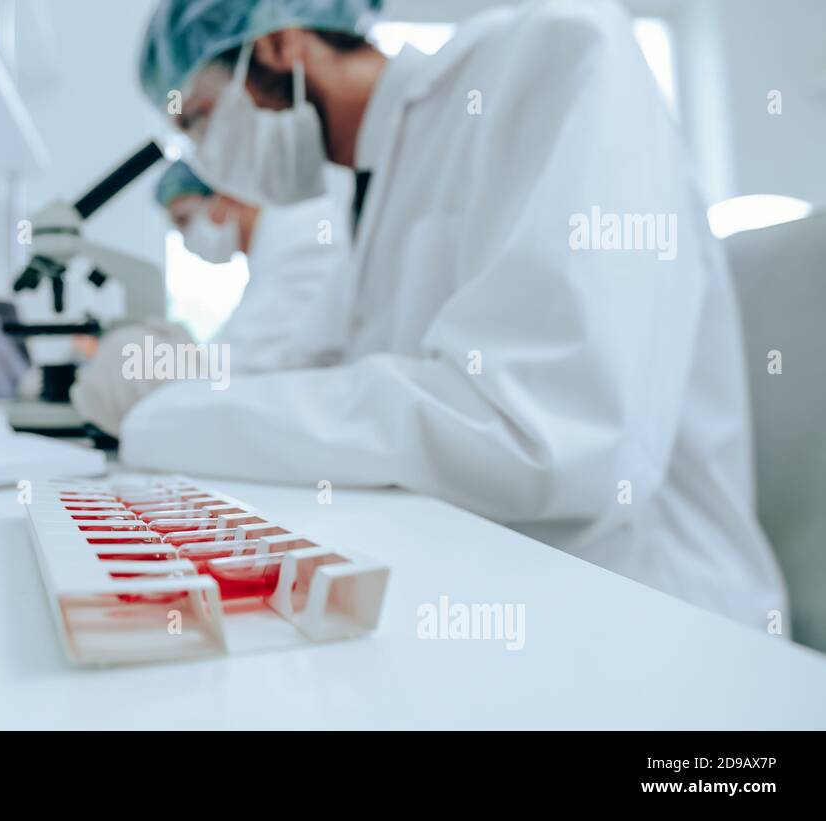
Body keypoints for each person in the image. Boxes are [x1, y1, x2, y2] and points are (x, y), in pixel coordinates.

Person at [71, 0, 786, 629]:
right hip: (500, 573)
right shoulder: (370, 185)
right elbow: (313, 377)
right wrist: (182, 383)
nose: (209, 157)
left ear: (279, 45)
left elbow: (544, 433)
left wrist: (165, 410)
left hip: (656, 611)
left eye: (200, 118)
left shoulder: (557, 51)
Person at [153, 160, 349, 373]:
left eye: (184, 220)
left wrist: (172, 369)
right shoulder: (269, 248)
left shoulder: (298, 232)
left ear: (226, 196)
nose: (186, 238)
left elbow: (254, 350)